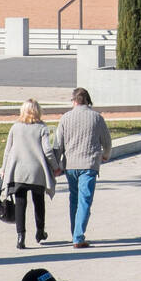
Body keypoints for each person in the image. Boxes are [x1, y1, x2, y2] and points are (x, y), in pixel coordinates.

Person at [53, 87, 112, 249]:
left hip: (70, 165)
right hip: (89, 164)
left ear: (74, 101)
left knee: (74, 200)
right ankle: (78, 237)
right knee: (85, 200)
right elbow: (107, 142)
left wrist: (56, 165)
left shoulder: (65, 118)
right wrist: (105, 155)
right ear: (87, 100)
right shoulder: (96, 118)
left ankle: (75, 233)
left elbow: (58, 144)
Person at [1, 99, 59, 249]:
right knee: (39, 202)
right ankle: (40, 232)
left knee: (20, 204)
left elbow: (8, 151)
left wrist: (4, 169)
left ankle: (21, 237)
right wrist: (55, 166)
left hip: (18, 172)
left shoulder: (15, 127)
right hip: (36, 172)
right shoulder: (42, 128)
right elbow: (47, 150)